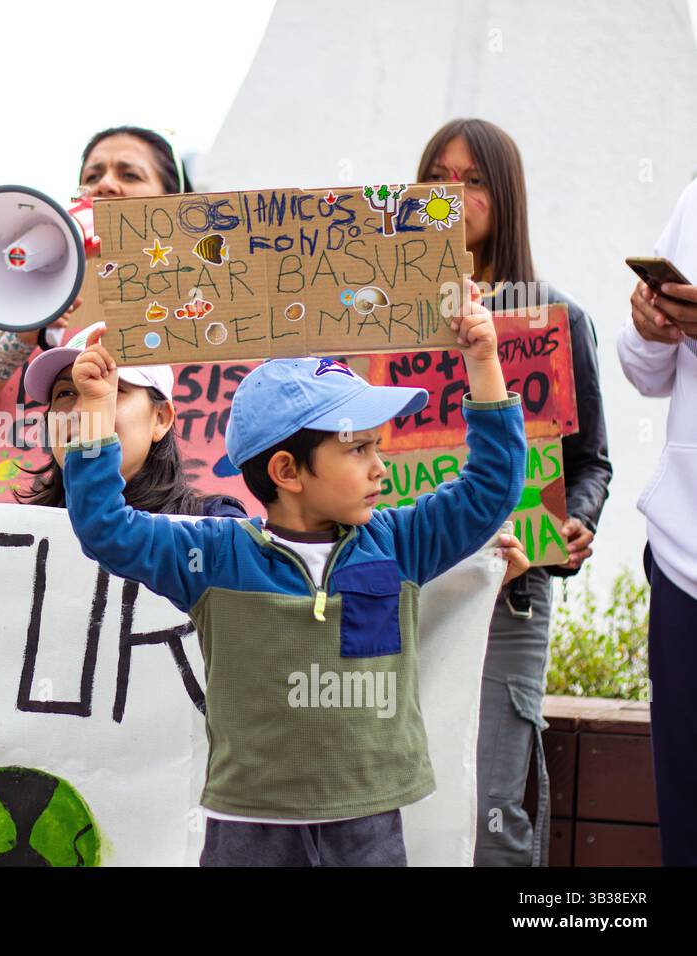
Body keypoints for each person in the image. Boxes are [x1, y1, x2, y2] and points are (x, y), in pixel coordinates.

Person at [56, 278, 525, 866]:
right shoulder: (215, 555)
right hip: (247, 834)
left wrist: (483, 362)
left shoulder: (401, 544)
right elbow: (104, 527)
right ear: (286, 469)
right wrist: (97, 409)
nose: (380, 468)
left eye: (378, 448)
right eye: (358, 449)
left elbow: (492, 489)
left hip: (371, 829)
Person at [416, 118, 613, 867]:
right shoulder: (388, 320)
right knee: (398, 793)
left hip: (510, 593)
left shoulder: (557, 316)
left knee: (492, 808)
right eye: (435, 178)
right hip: (400, 585)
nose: (451, 195)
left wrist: (569, 530)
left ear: (505, 196)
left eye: (470, 180)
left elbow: (589, 461)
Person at [0, 126, 191, 445]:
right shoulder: (45, 288)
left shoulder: (199, 298)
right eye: (93, 175)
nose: (106, 185)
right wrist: (22, 337)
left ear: (171, 200)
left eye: (129, 175)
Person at [0, 321, 245, 518]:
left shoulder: (216, 526)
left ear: (162, 419)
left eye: (108, 389)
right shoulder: (12, 533)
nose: (82, 409)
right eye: (65, 394)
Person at [618, 177, 697, 866]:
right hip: (684, 559)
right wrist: (650, 328)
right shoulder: (696, 200)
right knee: (684, 810)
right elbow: (648, 373)